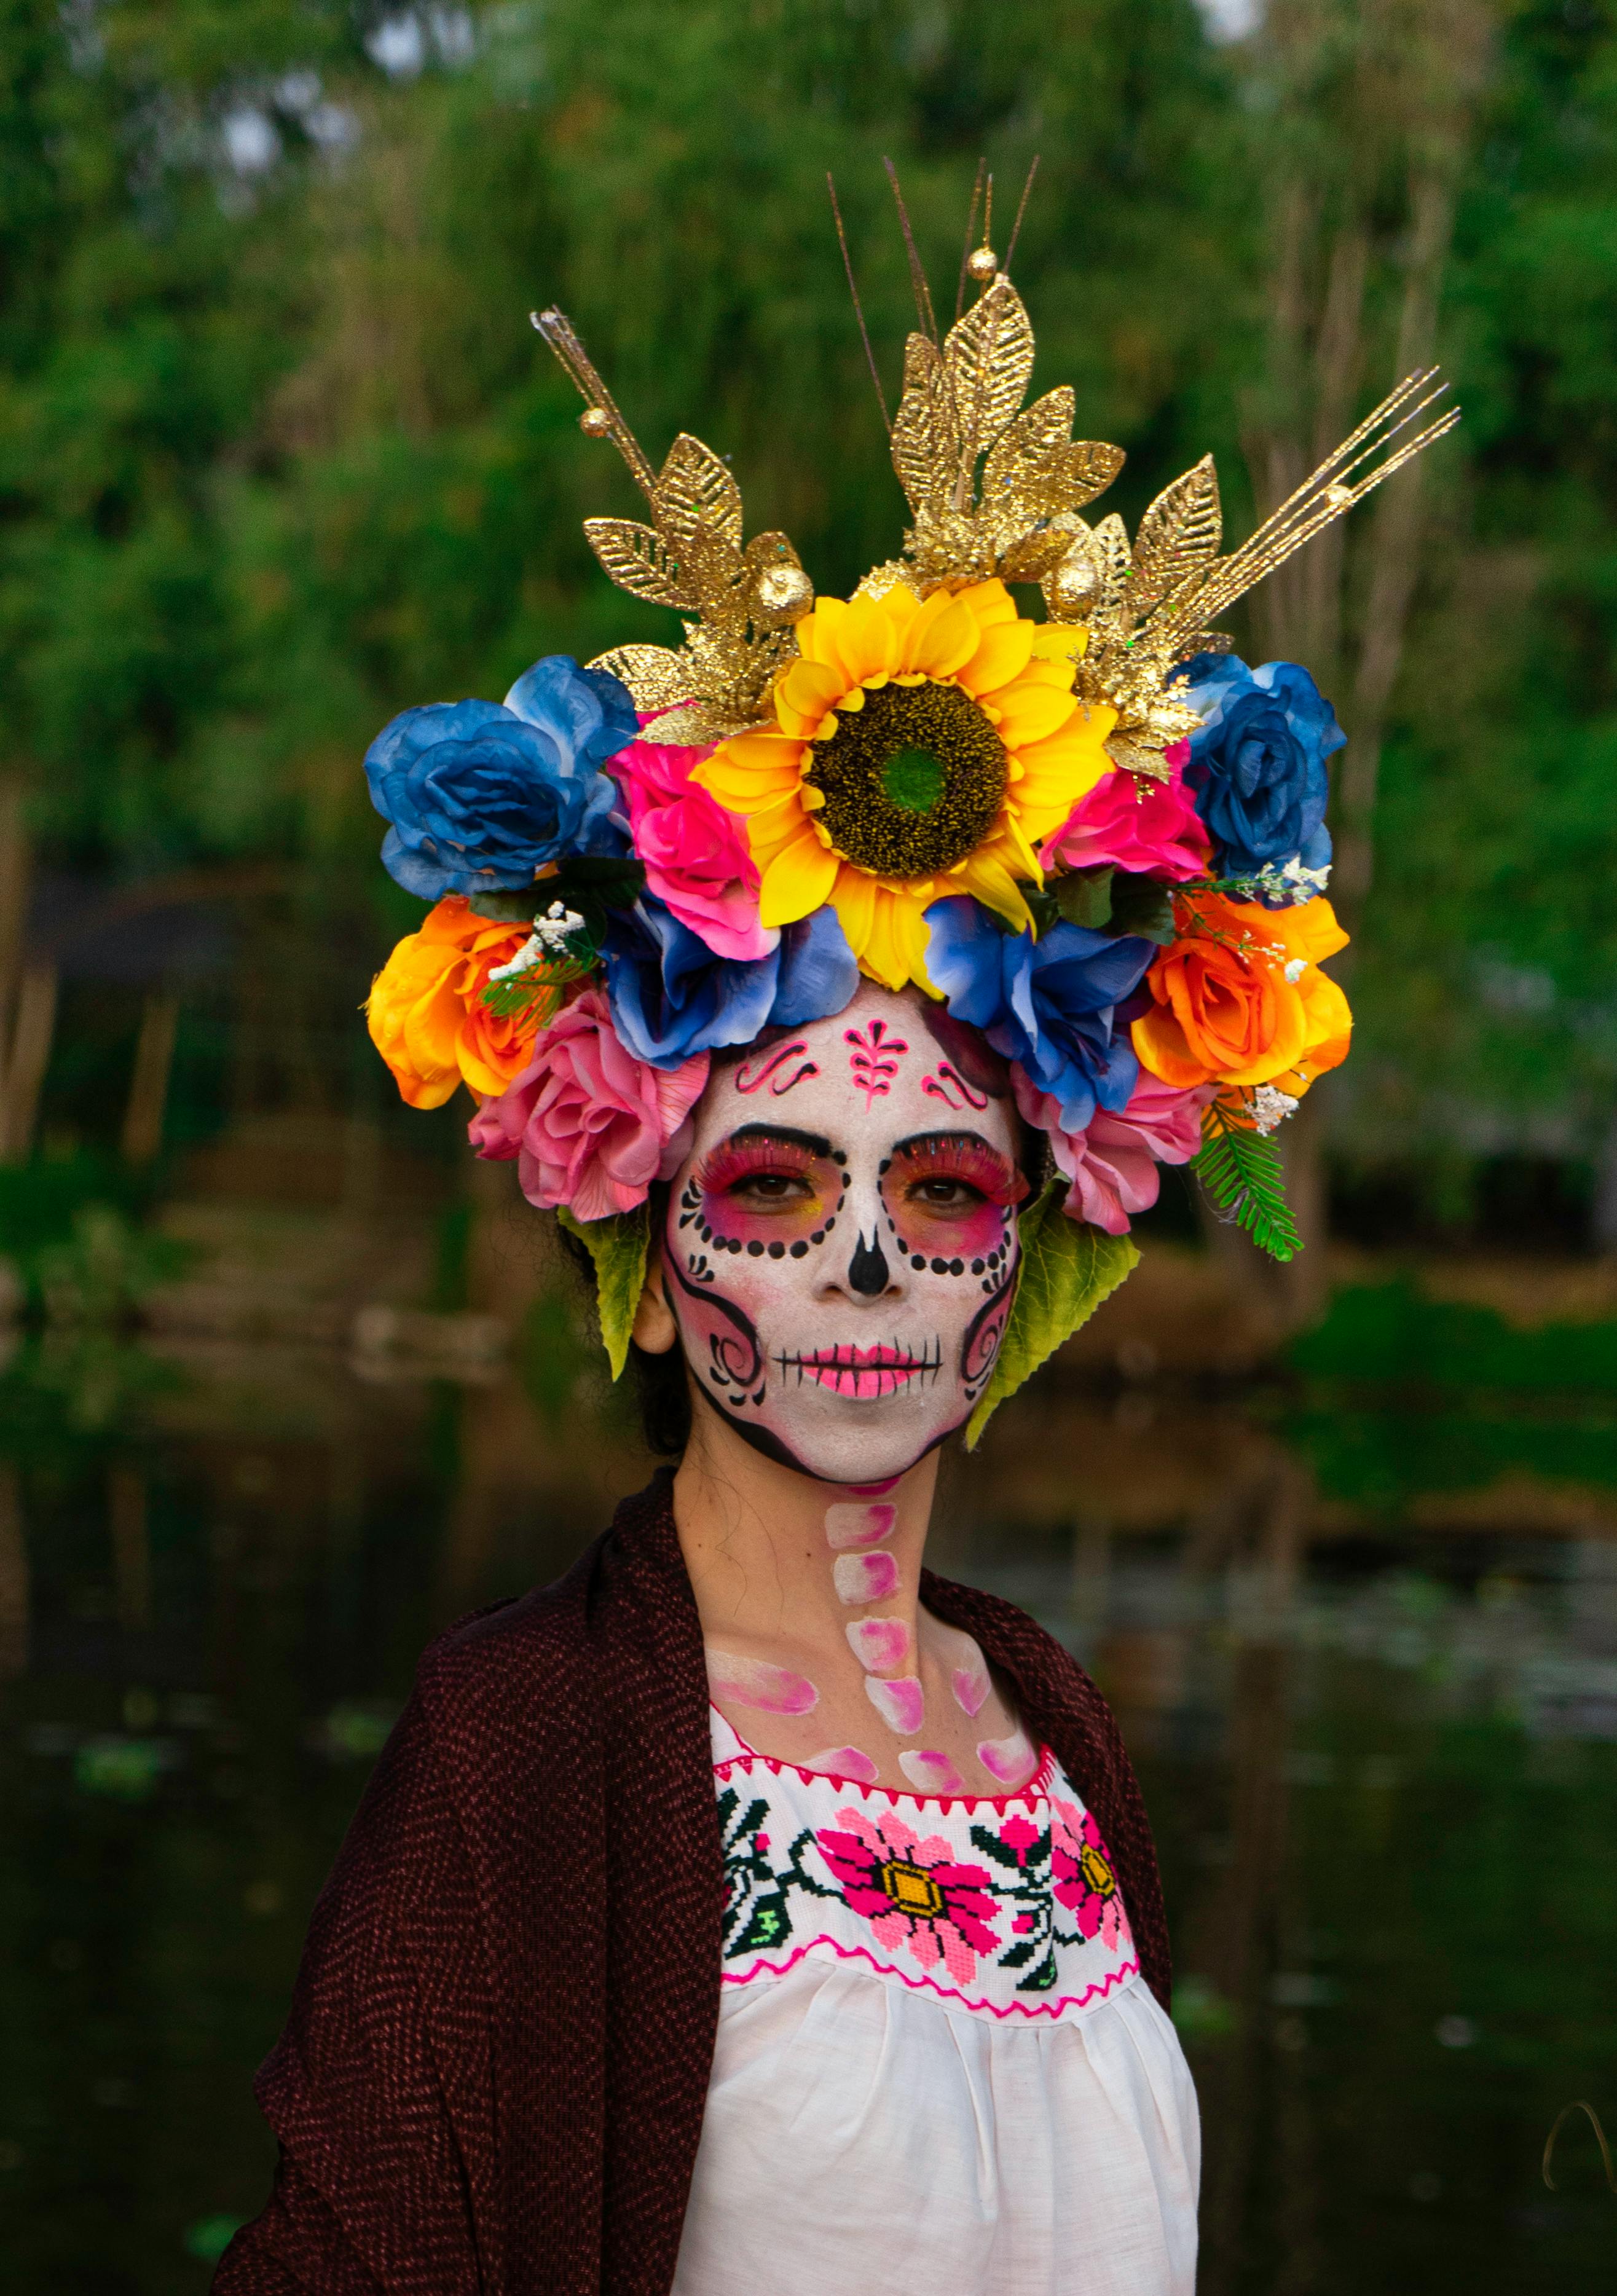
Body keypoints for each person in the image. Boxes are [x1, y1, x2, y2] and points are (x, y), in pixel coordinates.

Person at [215, 202, 1445, 2294]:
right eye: (778, 1186)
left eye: (944, 1192)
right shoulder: (536, 1743)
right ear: (650, 1219)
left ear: (1038, 1250)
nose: (867, 1260)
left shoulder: (1052, 1733)